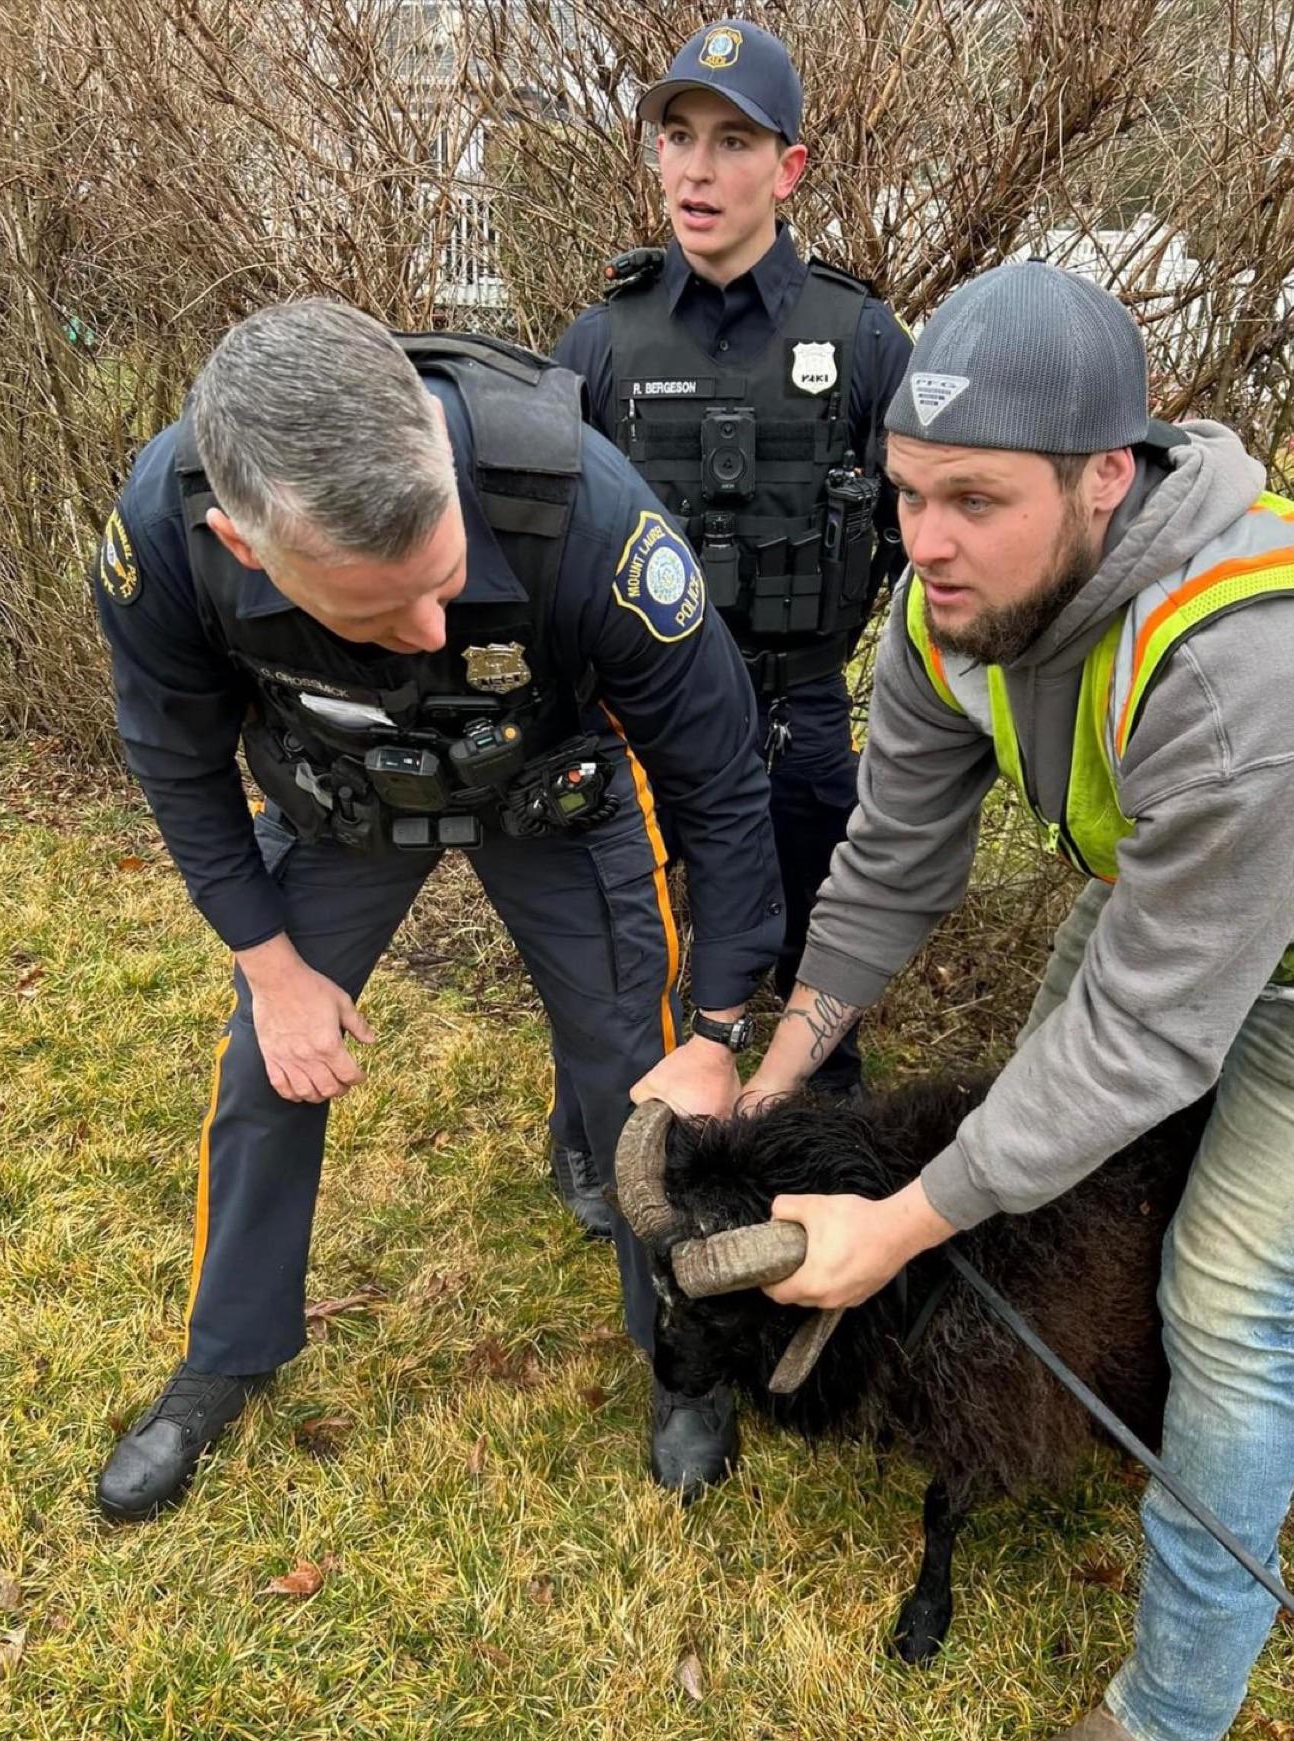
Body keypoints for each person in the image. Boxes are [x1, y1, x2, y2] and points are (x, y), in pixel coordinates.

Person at [736, 262, 1294, 1741]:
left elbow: (1149, 1036)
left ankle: (1162, 1722)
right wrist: (776, 1072)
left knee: (1228, 1295)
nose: (926, 543)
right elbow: (893, 855)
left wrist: (894, 1225)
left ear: (1108, 476)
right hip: (1166, 895)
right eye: (904, 495)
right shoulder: (950, 604)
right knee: (1024, 1188)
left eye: (973, 498)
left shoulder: (1249, 665)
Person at [91, 299, 783, 1521]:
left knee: (638, 1069)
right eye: (375, 612)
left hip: (550, 792)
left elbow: (719, 780)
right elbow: (177, 767)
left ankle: (682, 1354)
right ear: (247, 548)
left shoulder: (588, 514)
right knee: (268, 1066)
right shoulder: (166, 539)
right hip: (338, 800)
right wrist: (273, 970)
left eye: (448, 586)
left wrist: (719, 1025)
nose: (428, 633)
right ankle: (226, 1358)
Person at [550, 20, 910, 1240]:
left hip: (799, 703)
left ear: (789, 169)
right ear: (655, 157)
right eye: (679, 138)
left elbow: (921, 531)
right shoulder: (600, 341)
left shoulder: (862, 338)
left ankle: (821, 1147)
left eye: (733, 142)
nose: (698, 170)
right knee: (630, 941)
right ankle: (610, 1135)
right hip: (642, 713)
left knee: (819, 935)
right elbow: (549, 544)